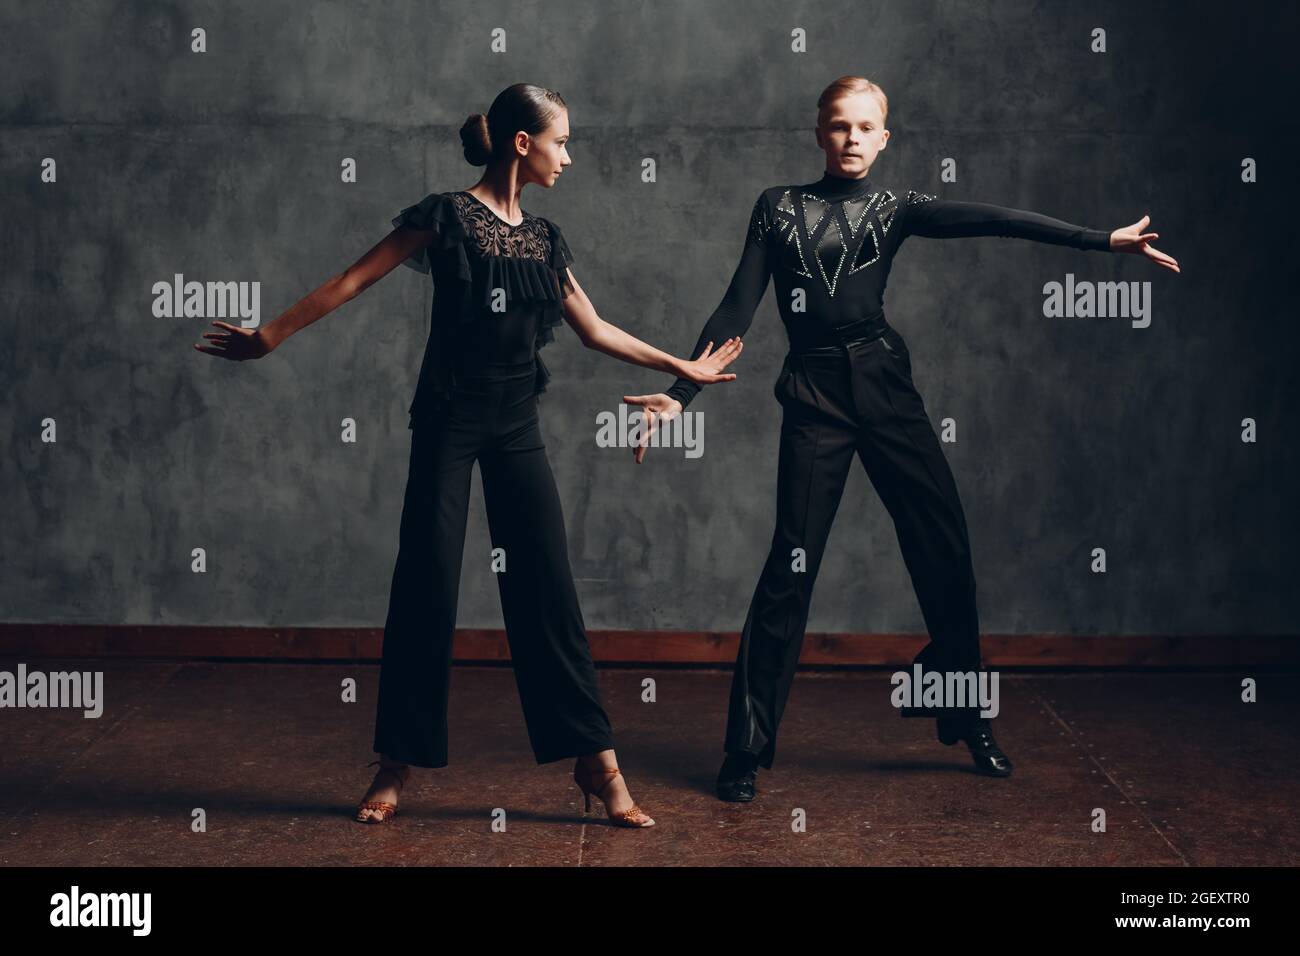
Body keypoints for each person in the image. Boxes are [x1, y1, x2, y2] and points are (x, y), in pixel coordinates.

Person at [194, 82, 743, 826]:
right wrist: (270, 335)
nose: (569, 157)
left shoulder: (546, 240)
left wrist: (686, 368)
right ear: (524, 143)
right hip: (450, 420)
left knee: (548, 589)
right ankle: (397, 762)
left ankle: (598, 765)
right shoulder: (446, 217)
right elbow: (353, 279)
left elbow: (596, 329)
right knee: (427, 581)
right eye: (563, 142)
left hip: (517, 425)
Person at [623, 75, 1179, 802]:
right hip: (815, 395)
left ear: (885, 138)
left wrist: (1102, 241)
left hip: (884, 386)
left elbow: (997, 219)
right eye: (838, 126)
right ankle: (746, 749)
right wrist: (679, 392)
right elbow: (736, 304)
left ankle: (963, 710)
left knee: (944, 550)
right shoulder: (777, 208)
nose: (852, 138)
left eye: (865, 128)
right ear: (818, 133)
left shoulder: (896, 208)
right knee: (789, 571)